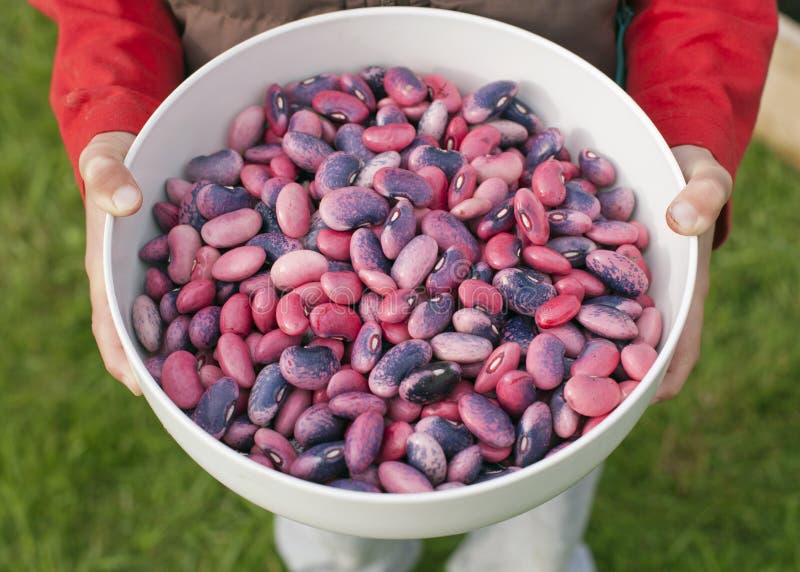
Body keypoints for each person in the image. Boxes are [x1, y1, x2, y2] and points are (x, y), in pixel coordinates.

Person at [30, 1, 777, 570]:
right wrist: (113, 102)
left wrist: (690, 122)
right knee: (334, 515)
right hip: (242, 33)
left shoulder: (473, 227)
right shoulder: (314, 259)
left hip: (547, 40)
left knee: (535, 502)